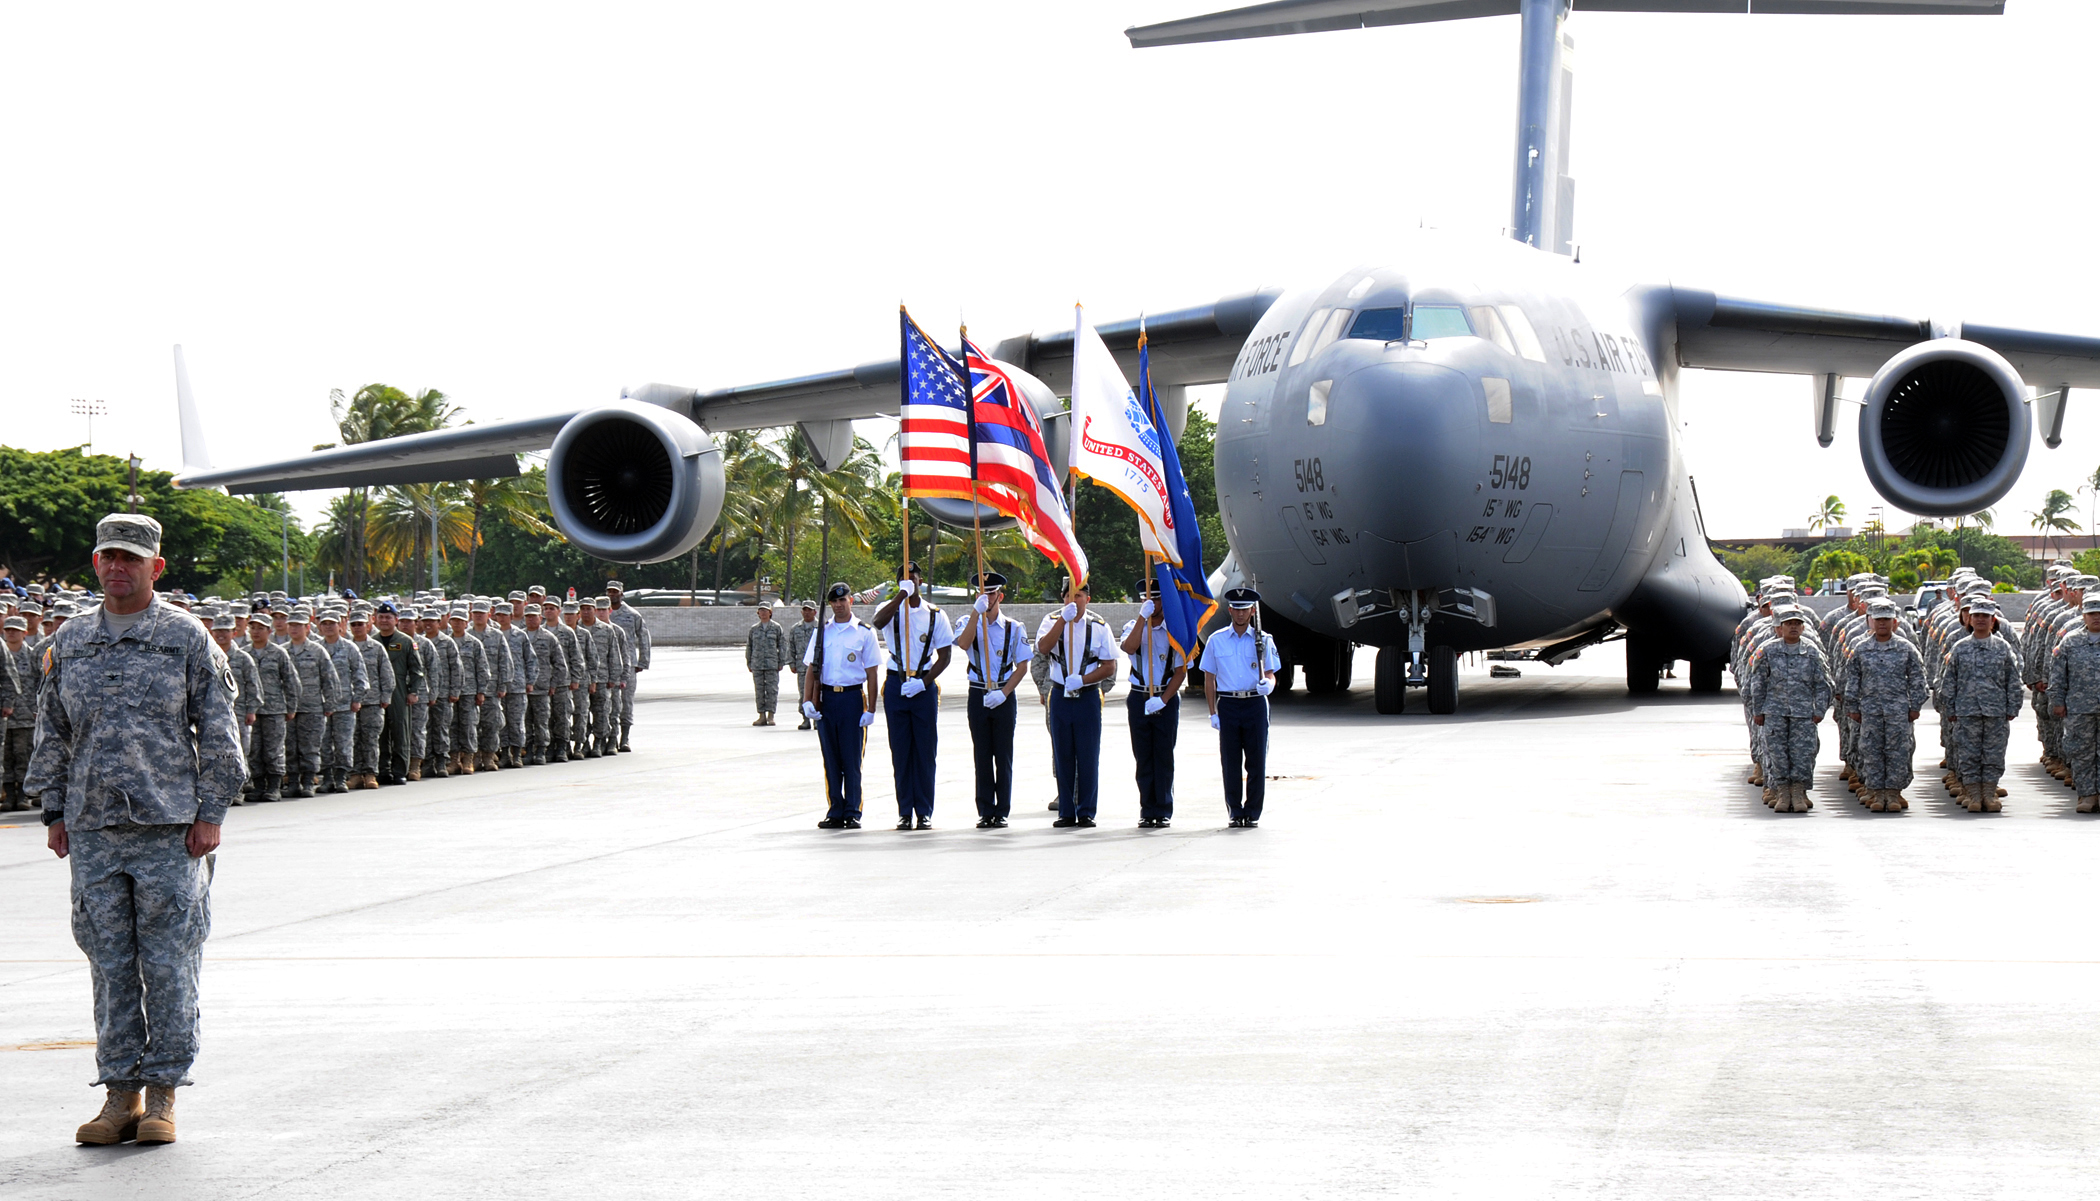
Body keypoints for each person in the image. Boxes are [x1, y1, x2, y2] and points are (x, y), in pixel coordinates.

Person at [26, 513, 243, 1146]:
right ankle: (118, 1094)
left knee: (170, 963)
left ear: (156, 567)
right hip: (93, 830)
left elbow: (221, 730)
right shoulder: (69, 640)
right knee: (110, 963)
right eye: (108, 557)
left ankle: (163, 1096)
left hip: (169, 829)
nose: (118, 567)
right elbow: (53, 732)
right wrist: (54, 811)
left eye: (131, 558)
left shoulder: (186, 637)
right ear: (95, 564)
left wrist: (211, 814)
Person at [871, 562, 953, 830]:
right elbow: (877, 622)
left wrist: (924, 682)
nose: (912, 581)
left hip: (923, 685)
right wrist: (900, 596)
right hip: (896, 682)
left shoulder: (935, 614)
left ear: (921, 581)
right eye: (905, 579)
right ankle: (905, 811)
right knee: (901, 751)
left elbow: (945, 656)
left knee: (925, 751)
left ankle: (925, 811)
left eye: (914, 577)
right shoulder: (891, 610)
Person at [1036, 576, 1118, 828]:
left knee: (1088, 754)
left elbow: (1109, 666)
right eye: (1069, 595)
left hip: (1087, 696)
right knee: (1063, 754)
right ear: (1063, 598)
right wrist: (1063, 619)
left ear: (1088, 599)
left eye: (1079, 595)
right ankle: (1066, 811)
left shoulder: (1099, 626)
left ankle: (1086, 811)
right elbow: (1043, 647)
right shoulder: (1050, 622)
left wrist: (1083, 680)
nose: (1074, 600)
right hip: (1060, 695)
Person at [952, 571, 1030, 828]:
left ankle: (1002, 810)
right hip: (978, 692)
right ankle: (985, 810)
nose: (987, 597)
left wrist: (1004, 692)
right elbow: (964, 644)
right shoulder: (967, 620)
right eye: (983, 593)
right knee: (982, 755)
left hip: (1003, 693)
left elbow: (1022, 666)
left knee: (1003, 754)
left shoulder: (1014, 627)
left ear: (1000, 596)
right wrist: (977, 613)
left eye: (992, 593)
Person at [801, 582, 880, 830]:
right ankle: (835, 809)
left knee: (852, 759)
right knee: (831, 760)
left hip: (852, 699)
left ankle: (852, 810)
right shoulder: (822, 632)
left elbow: (873, 674)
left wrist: (872, 709)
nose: (838, 605)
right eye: (834, 602)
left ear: (851, 601)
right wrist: (806, 701)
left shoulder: (864, 632)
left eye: (842, 600)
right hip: (827, 699)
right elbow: (811, 670)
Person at [1201, 588, 1279, 827]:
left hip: (1255, 702)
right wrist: (1213, 712)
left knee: (1256, 761)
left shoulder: (1263, 640)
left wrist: (1270, 686)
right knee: (1230, 761)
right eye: (1237, 609)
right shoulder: (1217, 640)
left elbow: (1270, 673)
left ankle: (1253, 812)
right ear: (1230, 610)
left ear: (1252, 611)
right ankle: (1235, 811)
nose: (1241, 614)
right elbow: (1209, 679)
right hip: (1229, 703)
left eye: (1245, 609)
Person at [1840, 598, 1926, 813]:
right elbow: (1852, 680)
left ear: (1895, 622)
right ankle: (1877, 793)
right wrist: (1852, 707)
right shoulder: (1861, 649)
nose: (1882, 624)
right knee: (1871, 750)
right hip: (1870, 711)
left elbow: (1918, 679)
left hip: (1898, 711)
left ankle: (1894, 793)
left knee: (1899, 751)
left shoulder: (1906, 648)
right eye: (1878, 619)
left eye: (1887, 619)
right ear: (1870, 621)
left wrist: (1915, 706)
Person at [1122, 577, 1189, 828]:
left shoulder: (1175, 630)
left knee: (1163, 756)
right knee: (1143, 757)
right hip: (1139, 696)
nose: (1152, 602)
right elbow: (1129, 646)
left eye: (1157, 598)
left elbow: (1181, 671)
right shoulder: (1134, 625)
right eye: (1147, 599)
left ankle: (1162, 809)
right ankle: (1146, 808)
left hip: (1166, 697)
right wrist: (1142, 618)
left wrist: (1163, 699)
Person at [1751, 606, 1832, 813]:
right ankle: (1782, 791)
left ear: (1803, 627)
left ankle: (1798, 792)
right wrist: (1758, 711)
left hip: (1803, 713)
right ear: (1780, 627)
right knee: (1777, 754)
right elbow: (1758, 683)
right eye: (1789, 624)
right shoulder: (1768, 650)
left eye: (1797, 624)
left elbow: (1823, 684)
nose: (1793, 627)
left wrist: (1820, 710)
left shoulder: (1811, 651)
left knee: (1803, 754)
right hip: (1775, 713)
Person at [281, 609, 343, 799]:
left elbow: (330, 679)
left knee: (310, 747)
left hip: (313, 707)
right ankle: (293, 782)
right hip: (289, 708)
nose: (294, 629)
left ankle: (308, 782)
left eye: (298, 625)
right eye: (291, 625)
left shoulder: (317, 651)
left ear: (307, 628)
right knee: (290, 747)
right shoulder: (283, 651)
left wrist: (330, 704)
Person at [2049, 595, 2100, 813]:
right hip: (2079, 708)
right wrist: (2057, 701)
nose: (2096, 617)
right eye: (2092, 614)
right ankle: (2087, 795)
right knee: (2081, 752)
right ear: (2083, 616)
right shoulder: (2070, 641)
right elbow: (2058, 675)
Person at [370, 602, 423, 785]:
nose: (384, 620)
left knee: (400, 730)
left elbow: (416, 669)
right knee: (380, 732)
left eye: (388, 617)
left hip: (399, 689)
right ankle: (383, 770)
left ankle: (400, 770)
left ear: (396, 620)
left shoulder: (406, 641)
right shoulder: (372, 641)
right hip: (376, 690)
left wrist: (413, 691)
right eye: (381, 617)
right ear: (376, 619)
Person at [316, 611, 368, 794]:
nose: (328, 627)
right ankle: (327, 778)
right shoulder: (317, 648)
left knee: (344, 742)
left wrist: (357, 699)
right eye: (325, 623)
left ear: (340, 626)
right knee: (324, 743)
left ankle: (341, 777)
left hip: (345, 704)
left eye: (332, 623)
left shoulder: (349, 648)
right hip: (321, 705)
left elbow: (360, 675)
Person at [210, 615, 260, 803]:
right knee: (217, 752)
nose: (221, 634)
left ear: (234, 633)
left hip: (239, 712)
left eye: (225, 630)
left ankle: (238, 790)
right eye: (218, 631)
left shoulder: (243, 658)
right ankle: (222, 790)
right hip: (213, 713)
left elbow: (253, 685)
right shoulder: (207, 655)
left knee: (240, 751)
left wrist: (251, 710)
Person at [2, 613, 41, 811]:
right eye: (8, 629)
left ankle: (23, 794)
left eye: (16, 630)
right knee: (6, 757)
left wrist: (37, 708)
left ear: (24, 632)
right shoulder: (2, 654)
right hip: (5, 715)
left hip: (27, 715)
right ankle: (8, 795)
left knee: (24, 755)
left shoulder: (33, 655)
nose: (11, 633)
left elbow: (39, 684)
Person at [606, 580, 650, 751]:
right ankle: (610, 738)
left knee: (626, 702)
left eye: (615, 592)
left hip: (628, 664)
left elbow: (643, 636)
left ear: (621, 594)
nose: (612, 595)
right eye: (609, 591)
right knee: (608, 703)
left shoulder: (632, 614)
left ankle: (624, 738)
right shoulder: (601, 613)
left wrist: (642, 661)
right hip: (606, 664)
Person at [522, 602, 566, 763]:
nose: (531, 620)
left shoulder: (549, 638)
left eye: (534, 617)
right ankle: (528, 749)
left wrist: (553, 684)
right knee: (525, 722)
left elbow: (560, 664)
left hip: (542, 688)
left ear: (540, 618)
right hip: (522, 688)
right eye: (528, 617)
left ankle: (541, 750)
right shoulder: (519, 636)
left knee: (542, 721)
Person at [746, 600, 789, 726]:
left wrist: (781, 661)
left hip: (772, 664)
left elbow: (782, 645)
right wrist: (749, 662)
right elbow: (750, 646)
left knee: (772, 690)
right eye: (761, 610)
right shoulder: (754, 629)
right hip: (757, 664)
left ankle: (771, 715)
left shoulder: (776, 628)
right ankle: (761, 716)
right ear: (758, 613)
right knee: (759, 690)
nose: (763, 613)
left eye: (766, 610)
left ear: (770, 613)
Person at [787, 600, 820, 730]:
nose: (806, 613)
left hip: (818, 667)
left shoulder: (822, 627)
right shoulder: (796, 628)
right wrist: (791, 663)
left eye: (809, 610)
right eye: (804, 610)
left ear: (815, 612)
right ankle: (805, 719)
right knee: (803, 692)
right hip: (802, 668)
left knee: (818, 692)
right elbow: (791, 647)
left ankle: (817, 719)